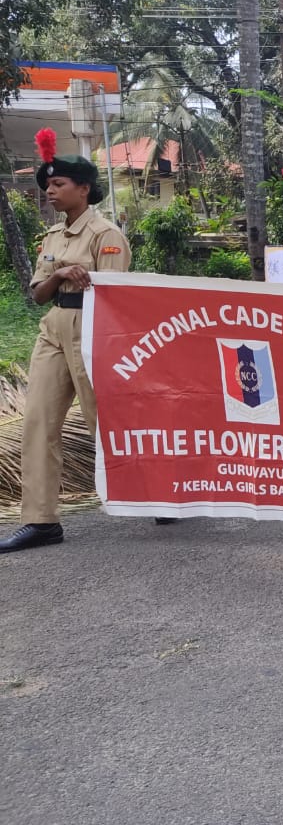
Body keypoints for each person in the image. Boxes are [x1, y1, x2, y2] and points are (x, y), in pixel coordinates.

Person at [1, 129, 132, 554]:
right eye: (47, 186)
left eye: (58, 185)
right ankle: (40, 521)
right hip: (54, 328)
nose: (50, 191)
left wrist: (83, 277)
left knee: (107, 425)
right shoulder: (52, 238)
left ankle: (157, 493)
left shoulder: (106, 234)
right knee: (39, 423)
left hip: (94, 329)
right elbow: (38, 293)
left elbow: (116, 294)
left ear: (84, 189)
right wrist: (57, 275)